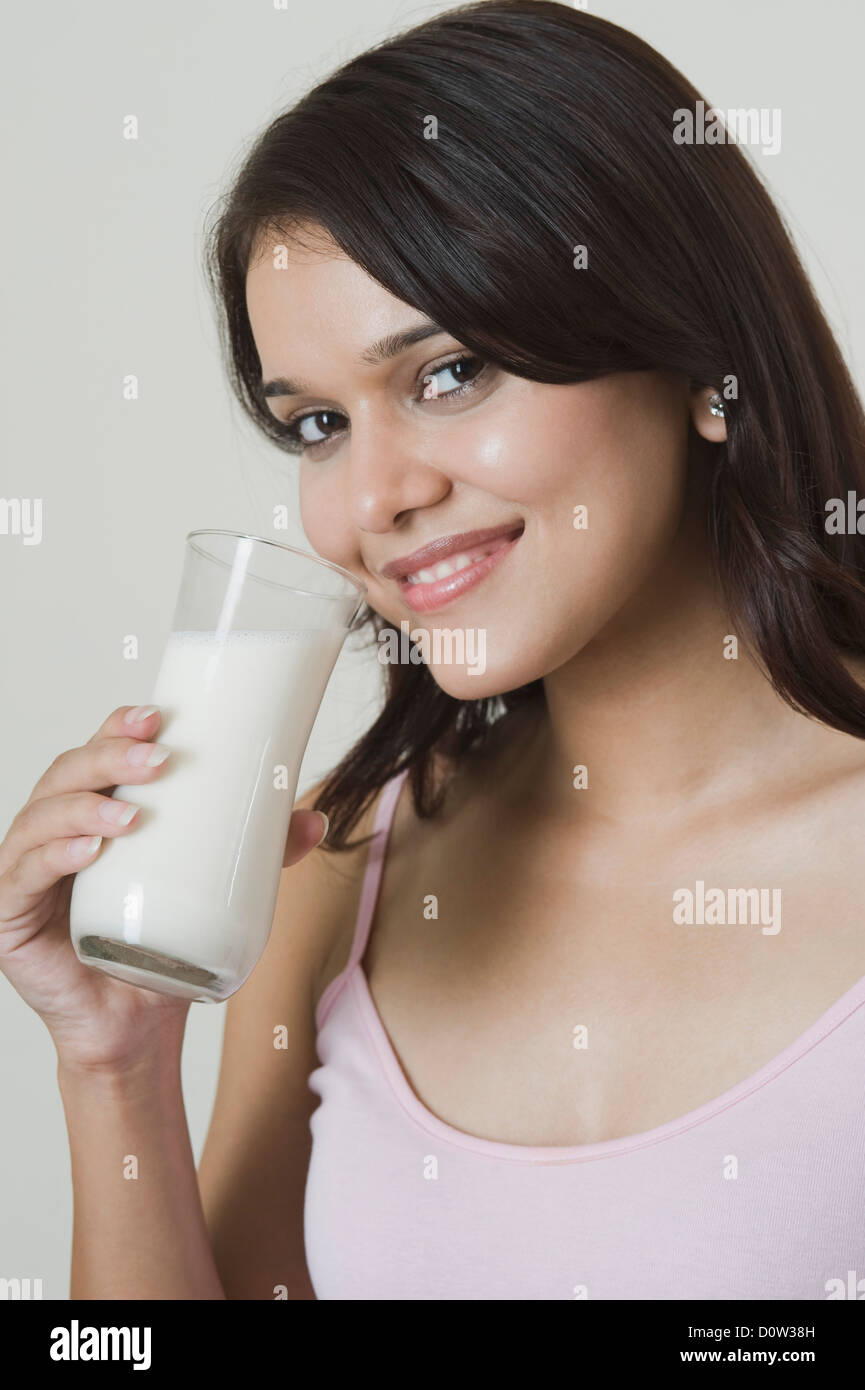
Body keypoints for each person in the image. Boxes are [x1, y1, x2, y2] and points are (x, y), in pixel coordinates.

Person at [3, 0, 865, 1300]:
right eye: (314, 424)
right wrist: (113, 1065)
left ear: (702, 367)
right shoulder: (334, 871)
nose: (371, 500)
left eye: (449, 373)